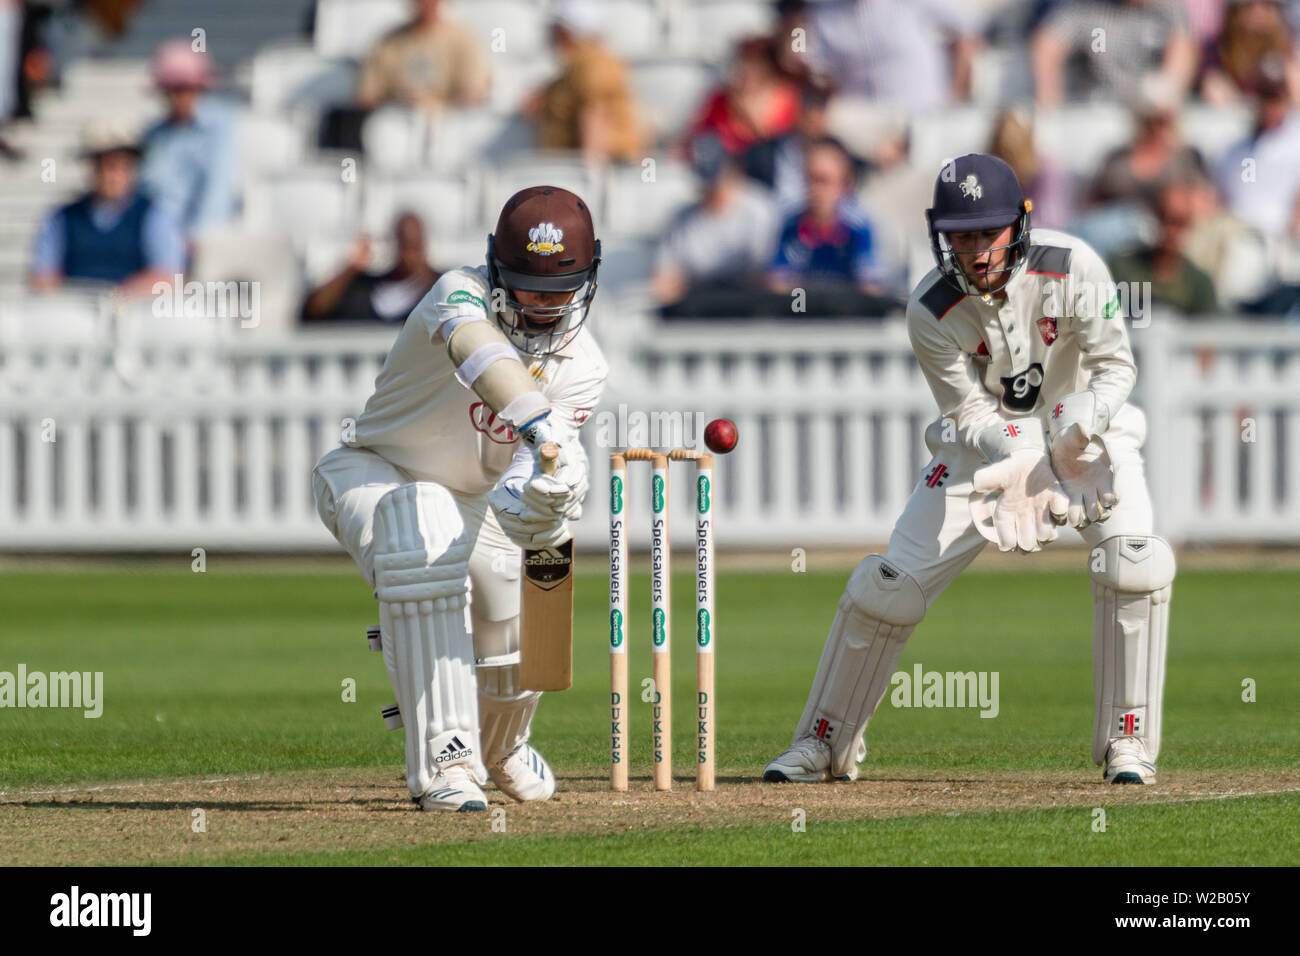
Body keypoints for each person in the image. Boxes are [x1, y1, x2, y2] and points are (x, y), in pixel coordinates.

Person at [765, 154, 1174, 788]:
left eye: (989, 232)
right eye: (962, 235)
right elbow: (966, 410)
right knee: (887, 587)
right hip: (982, 450)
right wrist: (1019, 454)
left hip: (1088, 436)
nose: (977, 250)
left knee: (1136, 562)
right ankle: (823, 744)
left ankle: (1129, 743)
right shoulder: (929, 307)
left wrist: (1078, 428)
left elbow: (1116, 367)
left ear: (1020, 223)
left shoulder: (1075, 267)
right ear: (941, 235)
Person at [311, 186, 605, 812]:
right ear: (498, 269)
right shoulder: (457, 292)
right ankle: (445, 761)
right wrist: (539, 421)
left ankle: (501, 746)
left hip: (476, 497)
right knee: (423, 523)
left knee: (529, 599)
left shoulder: (584, 364)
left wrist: (550, 491)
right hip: (374, 471)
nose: (544, 303)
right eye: (527, 284)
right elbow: (479, 350)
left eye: (560, 288)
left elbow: (526, 475)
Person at [29, 121, 184, 295]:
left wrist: (121, 295)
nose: (113, 176)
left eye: (121, 166)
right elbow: (43, 276)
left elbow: (166, 276)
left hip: (134, 312)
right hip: (76, 311)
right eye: (105, 166)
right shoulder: (63, 217)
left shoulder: (152, 214)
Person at [651, 135, 780, 308]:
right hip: (698, 310)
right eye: (706, 179)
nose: (712, 187)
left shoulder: (760, 209)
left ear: (733, 169)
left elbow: (768, 277)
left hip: (751, 310)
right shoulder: (681, 219)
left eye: (718, 176)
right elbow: (663, 282)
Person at [139, 39, 238, 240]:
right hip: (155, 239)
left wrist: (197, 236)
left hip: (198, 240)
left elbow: (219, 189)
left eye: (186, 89)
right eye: (172, 90)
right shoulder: (153, 134)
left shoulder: (219, 128)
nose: (179, 98)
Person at [766, 137, 889, 295]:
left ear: (844, 184)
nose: (815, 189)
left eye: (823, 181)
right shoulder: (792, 226)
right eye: (810, 179)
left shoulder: (859, 229)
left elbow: (871, 290)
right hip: (802, 314)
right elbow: (778, 288)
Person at [524, 0, 643, 163]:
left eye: (555, 28)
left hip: (587, 171)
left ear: (567, 31)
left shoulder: (594, 67)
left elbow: (595, 119)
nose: (549, 34)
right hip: (567, 168)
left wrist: (586, 180)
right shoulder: (576, 66)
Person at [1032, 0, 1196, 107]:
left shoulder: (1169, 9)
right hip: (1096, 112)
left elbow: (1181, 54)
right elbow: (1046, 47)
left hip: (1146, 116)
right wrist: (1050, 106)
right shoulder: (1085, 7)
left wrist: (1163, 90)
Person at [1108, 177, 1220, 316]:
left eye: (1179, 223)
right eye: (1163, 219)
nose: (1170, 231)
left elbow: (1208, 333)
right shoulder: (1120, 269)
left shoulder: (1199, 285)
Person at [302, 212, 440, 323]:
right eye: (402, 245)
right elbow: (314, 310)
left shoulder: (441, 290)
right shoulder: (362, 289)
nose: (408, 256)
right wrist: (351, 268)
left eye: (413, 247)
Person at [357, 0, 489, 113]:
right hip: (396, 127)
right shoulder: (389, 42)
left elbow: (473, 94)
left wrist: (434, 107)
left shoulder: (463, 40)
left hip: (449, 129)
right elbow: (368, 95)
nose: (426, 3)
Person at [682, 35, 800, 158]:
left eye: (753, 63)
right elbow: (693, 138)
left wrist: (741, 109)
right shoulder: (720, 98)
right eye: (742, 62)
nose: (745, 69)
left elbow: (770, 140)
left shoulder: (786, 97)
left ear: (768, 67)